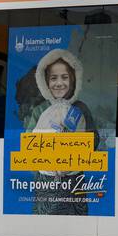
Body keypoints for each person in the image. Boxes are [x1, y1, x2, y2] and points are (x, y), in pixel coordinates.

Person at [27, 49, 97, 216]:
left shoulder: (80, 108)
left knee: (76, 221)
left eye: (64, 77)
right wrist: (42, 172)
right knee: (45, 221)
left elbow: (93, 139)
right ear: (45, 82)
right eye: (53, 78)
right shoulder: (40, 110)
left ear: (73, 81)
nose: (59, 83)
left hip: (74, 180)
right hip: (46, 182)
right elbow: (30, 145)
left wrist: (73, 151)